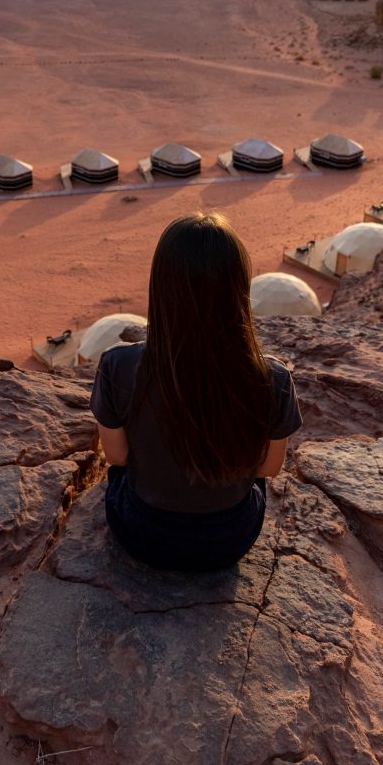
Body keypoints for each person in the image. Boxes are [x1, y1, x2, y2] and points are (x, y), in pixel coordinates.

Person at [90, 213, 302, 572]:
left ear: (161, 284)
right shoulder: (273, 378)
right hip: (230, 538)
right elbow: (268, 466)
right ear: (238, 287)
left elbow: (118, 457)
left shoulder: (117, 365)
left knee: (118, 481)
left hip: (143, 534)